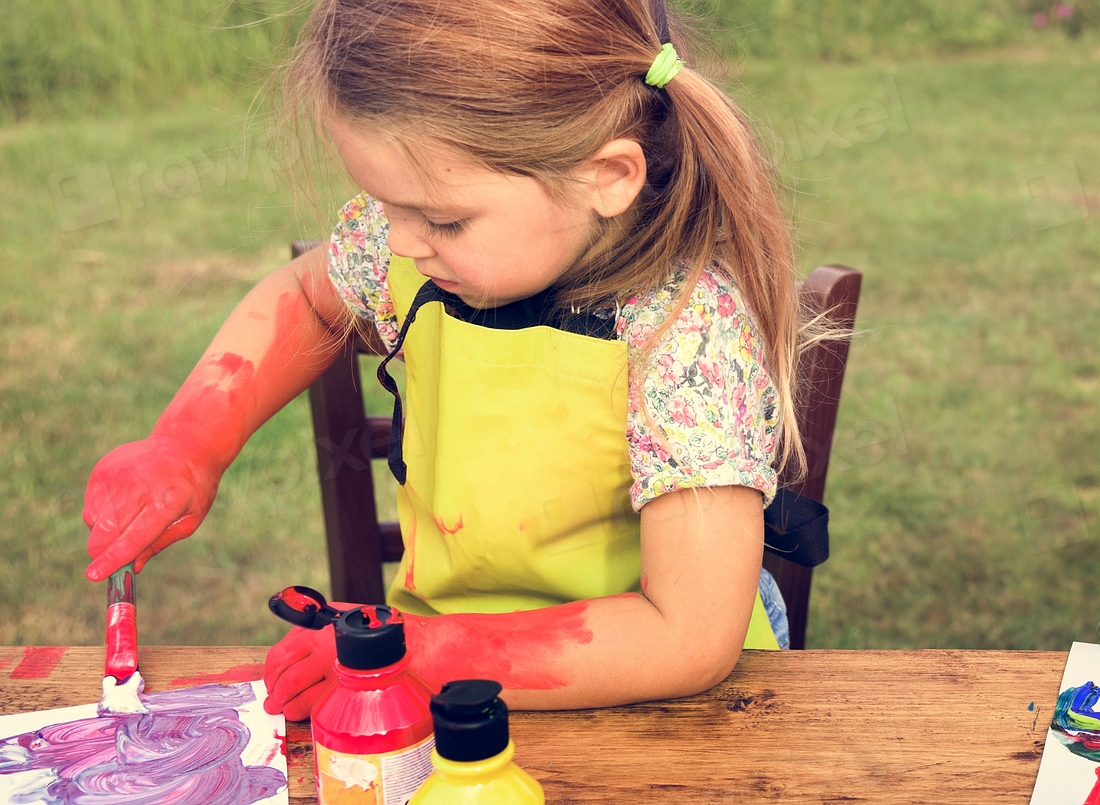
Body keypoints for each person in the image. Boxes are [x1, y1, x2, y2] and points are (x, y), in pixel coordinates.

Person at [82, 0, 810, 721]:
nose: (397, 243)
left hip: (668, 712)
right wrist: (190, 441)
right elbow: (308, 298)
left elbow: (687, 636)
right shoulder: (419, 253)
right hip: (436, 681)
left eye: (441, 219)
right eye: (382, 204)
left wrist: (418, 654)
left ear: (607, 176)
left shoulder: (687, 331)